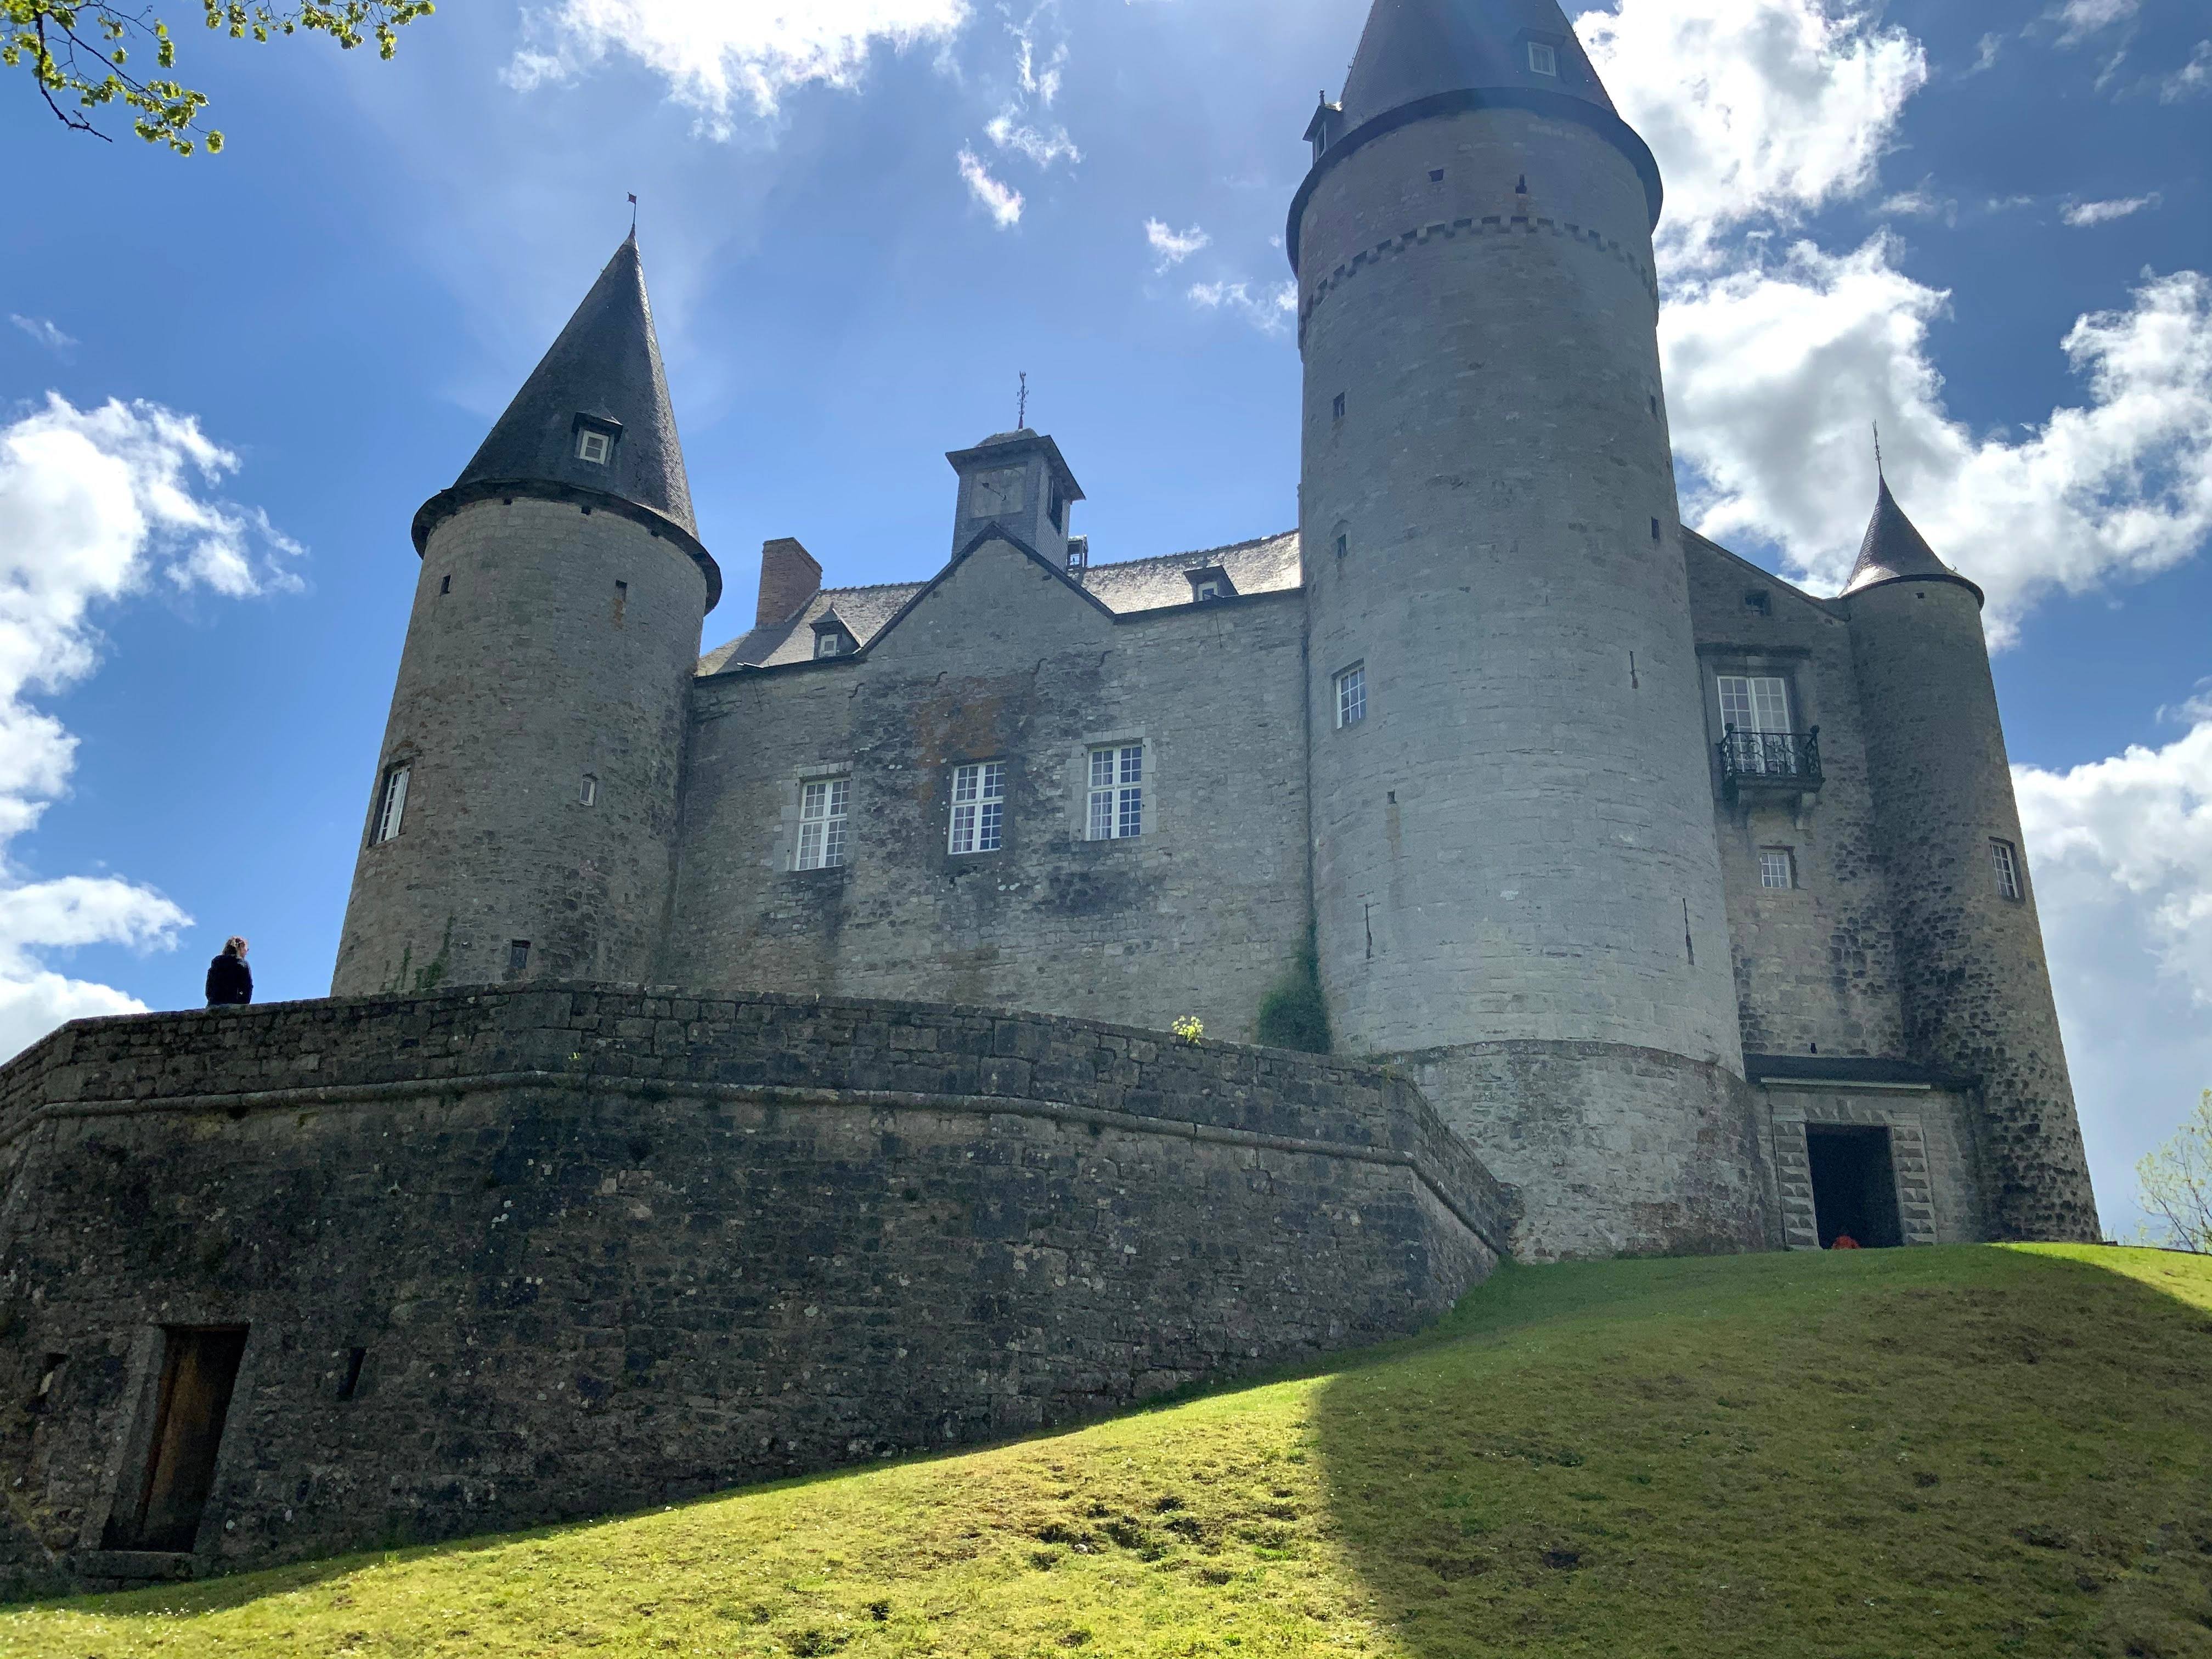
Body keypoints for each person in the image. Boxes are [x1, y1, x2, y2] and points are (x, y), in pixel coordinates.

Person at [205, 937, 253, 1008]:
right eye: (246, 948)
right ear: (240, 947)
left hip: (214, 1004)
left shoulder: (216, 962)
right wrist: (242, 1005)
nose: (247, 951)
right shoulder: (242, 964)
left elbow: (209, 988)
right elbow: (247, 988)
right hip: (234, 1004)